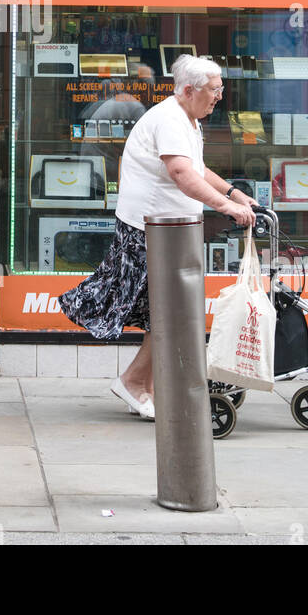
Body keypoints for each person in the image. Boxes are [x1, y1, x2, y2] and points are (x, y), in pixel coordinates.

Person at [59, 55, 256, 420]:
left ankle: (142, 386)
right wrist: (225, 208)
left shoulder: (185, 118)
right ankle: (135, 383)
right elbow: (182, 173)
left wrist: (233, 194)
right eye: (215, 90)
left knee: (164, 314)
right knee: (169, 314)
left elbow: (197, 168)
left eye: (220, 89)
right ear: (188, 90)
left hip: (164, 229)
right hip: (152, 231)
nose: (219, 97)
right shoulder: (169, 120)